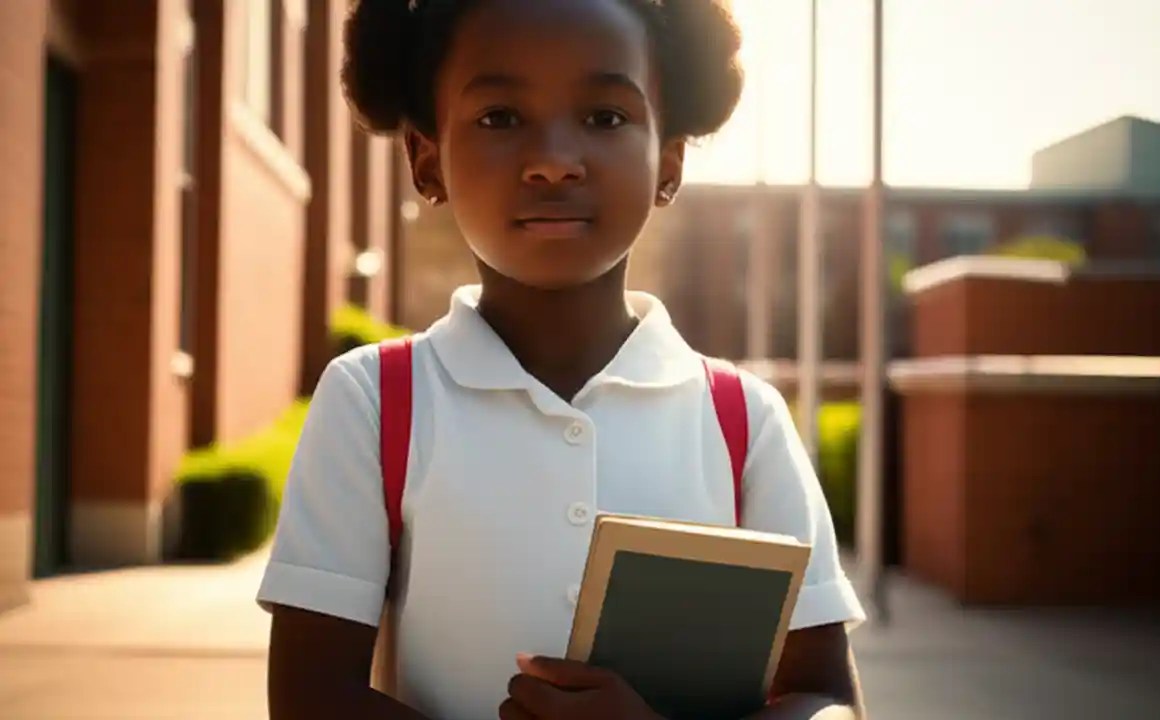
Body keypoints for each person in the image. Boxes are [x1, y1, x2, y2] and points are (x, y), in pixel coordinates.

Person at [257, 0, 867, 718]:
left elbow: (826, 696)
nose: (552, 161)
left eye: (606, 118)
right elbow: (309, 698)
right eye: (500, 118)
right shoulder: (376, 399)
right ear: (428, 160)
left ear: (668, 161)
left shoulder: (743, 420)